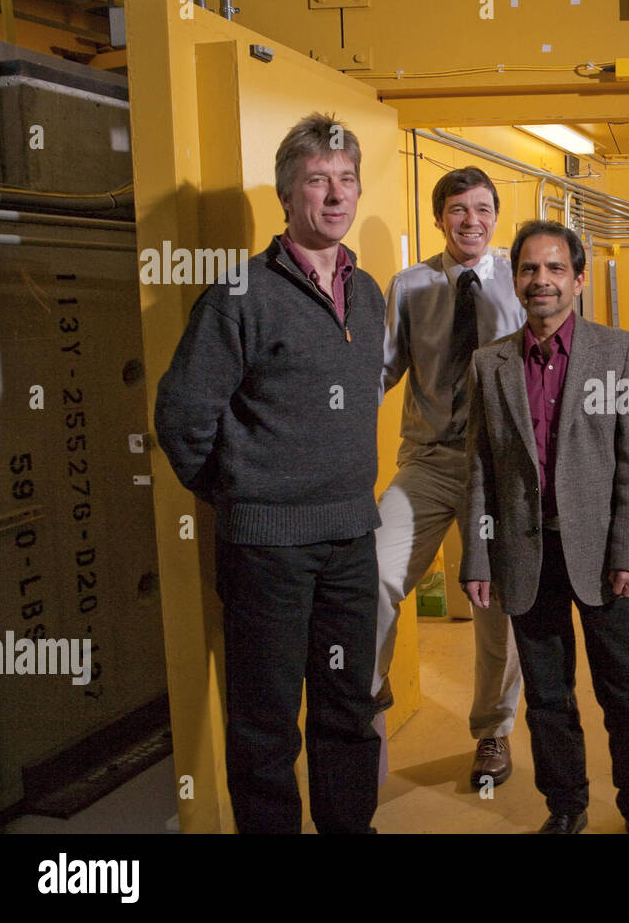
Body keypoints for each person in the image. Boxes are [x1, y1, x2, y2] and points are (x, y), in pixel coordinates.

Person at [155, 113, 383, 833]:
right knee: (266, 727)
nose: (336, 195)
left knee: (349, 708)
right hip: (268, 551)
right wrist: (245, 496)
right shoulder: (240, 295)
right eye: (318, 180)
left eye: (346, 180)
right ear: (289, 195)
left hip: (350, 537)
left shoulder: (369, 292)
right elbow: (182, 416)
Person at [461, 220, 629, 834]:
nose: (541, 280)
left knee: (626, 692)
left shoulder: (619, 350)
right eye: (528, 269)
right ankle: (566, 807)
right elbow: (478, 469)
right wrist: (477, 556)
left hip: (605, 555)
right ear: (515, 280)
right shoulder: (489, 364)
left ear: (579, 279)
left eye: (554, 269)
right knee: (549, 699)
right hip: (527, 555)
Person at [375, 167, 525, 787]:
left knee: (497, 608)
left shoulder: (523, 278)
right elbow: (380, 372)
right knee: (373, 575)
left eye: (483, 209)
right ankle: (364, 702)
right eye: (458, 210)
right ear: (438, 218)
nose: (472, 221)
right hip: (431, 460)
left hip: (501, 465)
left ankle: (493, 733)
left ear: (496, 216)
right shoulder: (409, 286)